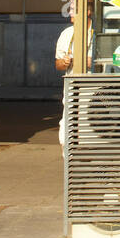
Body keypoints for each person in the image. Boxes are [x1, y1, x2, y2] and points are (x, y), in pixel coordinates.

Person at [55, 20, 74, 151]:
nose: (71, 12)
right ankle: (67, 154)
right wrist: (64, 62)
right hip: (72, 85)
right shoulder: (67, 33)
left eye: (73, 9)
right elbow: (58, 65)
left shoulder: (98, 31)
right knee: (68, 118)